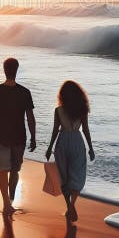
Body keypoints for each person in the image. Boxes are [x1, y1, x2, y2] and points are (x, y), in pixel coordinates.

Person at [0, 57, 36, 217]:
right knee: (14, 170)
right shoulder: (24, 92)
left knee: (2, 171)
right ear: (17, 70)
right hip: (19, 138)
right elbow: (30, 118)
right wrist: (33, 137)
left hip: (0, 137)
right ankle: (10, 200)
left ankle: (7, 203)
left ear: (4, 70)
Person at [45, 81, 94, 222]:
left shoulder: (58, 110)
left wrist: (49, 148)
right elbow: (85, 129)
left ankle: (69, 206)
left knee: (63, 177)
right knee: (77, 175)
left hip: (63, 141)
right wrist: (91, 148)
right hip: (77, 142)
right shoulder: (82, 109)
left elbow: (55, 131)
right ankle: (72, 205)